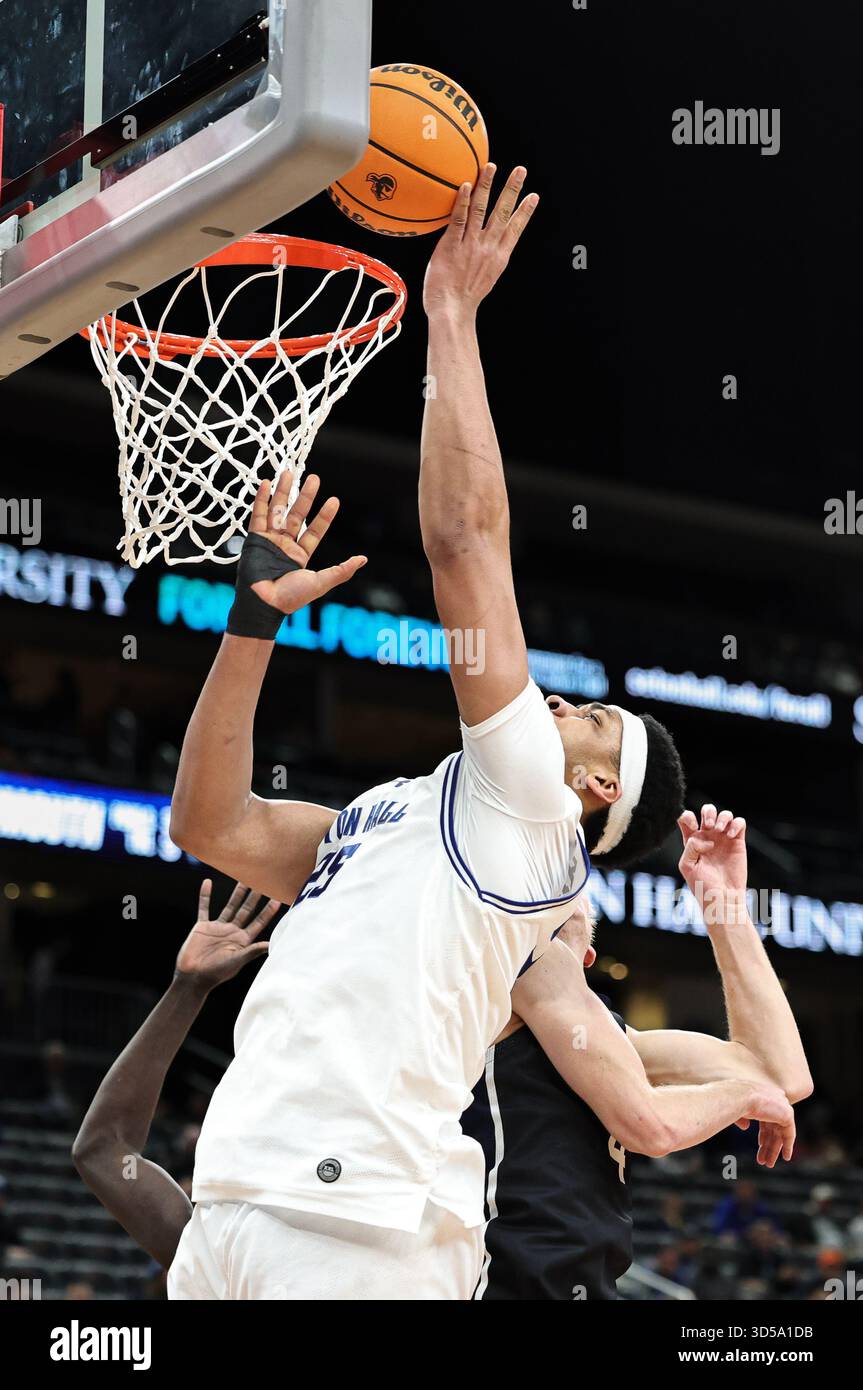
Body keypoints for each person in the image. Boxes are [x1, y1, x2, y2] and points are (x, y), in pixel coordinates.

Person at [165, 167, 755, 1301]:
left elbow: (464, 543)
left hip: (362, 1224)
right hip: (240, 1195)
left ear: (591, 791)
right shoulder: (398, 820)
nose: (559, 706)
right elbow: (212, 820)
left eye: (587, 719)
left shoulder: (526, 812)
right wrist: (249, 619)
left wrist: (451, 313)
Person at [463, 806, 812, 1299]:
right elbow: (656, 1126)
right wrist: (741, 1096)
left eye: (571, 905)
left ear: (587, 957)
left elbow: (781, 1076)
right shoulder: (495, 989)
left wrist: (726, 905)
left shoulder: (616, 1043)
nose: (554, 902)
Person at [72, 882, 276, 1274]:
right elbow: (102, 1148)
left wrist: (190, 989)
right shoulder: (225, 1256)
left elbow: (102, 1147)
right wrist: (188, 987)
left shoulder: (226, 1260)